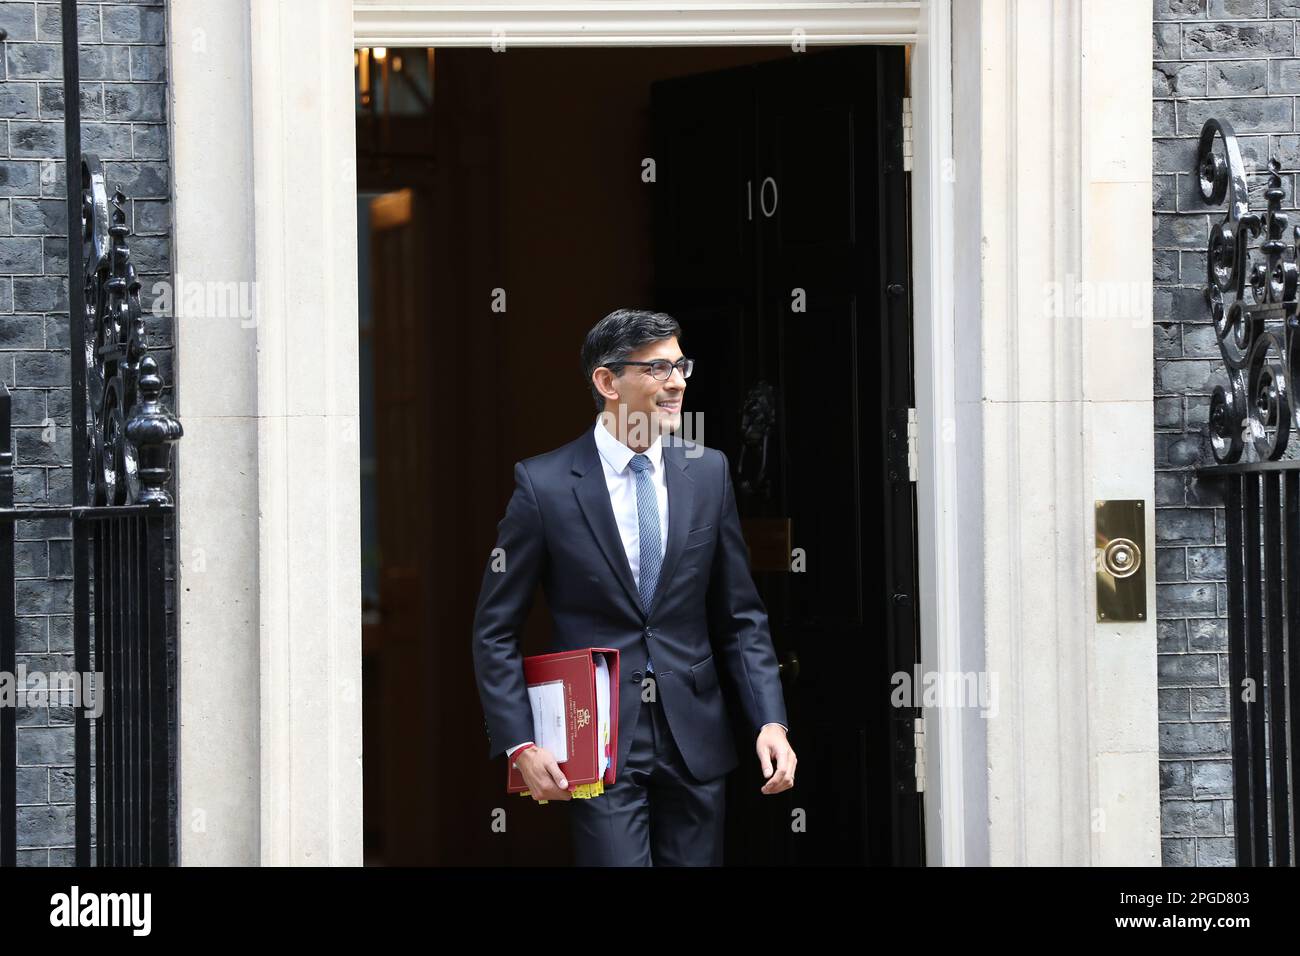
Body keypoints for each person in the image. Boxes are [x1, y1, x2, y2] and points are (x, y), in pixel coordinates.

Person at [471, 308, 795, 866]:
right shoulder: (543, 486)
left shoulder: (709, 471)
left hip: (695, 736)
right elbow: (495, 629)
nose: (678, 382)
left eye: (681, 365)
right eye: (659, 368)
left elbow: (741, 617)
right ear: (606, 382)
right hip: (595, 740)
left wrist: (771, 720)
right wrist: (520, 743)